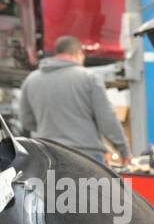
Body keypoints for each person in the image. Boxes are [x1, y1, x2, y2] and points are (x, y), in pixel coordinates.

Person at [17, 35, 129, 164]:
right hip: (85, 156)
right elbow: (106, 118)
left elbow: (26, 121)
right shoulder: (88, 77)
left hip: (48, 155)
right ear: (78, 53)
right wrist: (123, 150)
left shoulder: (31, 80)